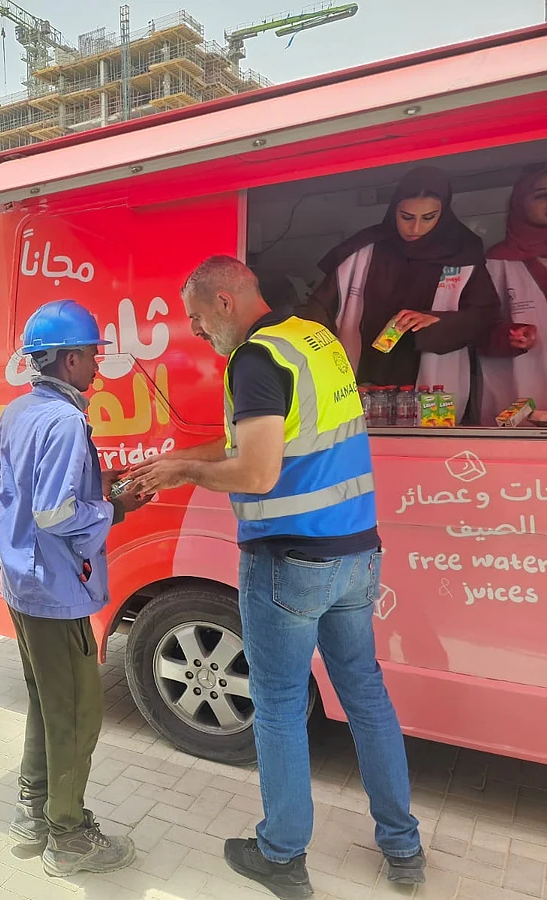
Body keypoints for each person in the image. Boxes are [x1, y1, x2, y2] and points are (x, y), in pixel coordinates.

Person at [139, 256, 423, 898]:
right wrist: (180, 455)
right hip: (356, 554)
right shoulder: (313, 340)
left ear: (224, 301)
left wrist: (186, 475)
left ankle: (281, 855)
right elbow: (264, 436)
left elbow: (259, 470)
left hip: (291, 561)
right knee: (366, 697)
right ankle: (403, 847)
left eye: (196, 318)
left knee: (278, 708)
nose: (196, 332)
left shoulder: (256, 359)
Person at [0, 299, 153, 877]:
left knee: (46, 702)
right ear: (66, 360)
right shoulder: (64, 421)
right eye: (90, 356)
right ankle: (67, 834)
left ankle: (31, 812)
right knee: (79, 715)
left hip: (24, 583)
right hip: (55, 587)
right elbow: (57, 514)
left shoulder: (20, 411)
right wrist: (115, 505)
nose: (99, 368)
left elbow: (32, 491)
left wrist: (97, 481)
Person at [304, 166, 499, 419]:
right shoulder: (364, 249)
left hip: (432, 382)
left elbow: (486, 315)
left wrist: (440, 321)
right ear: (393, 209)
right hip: (363, 377)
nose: (415, 228)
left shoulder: (462, 251)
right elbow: (317, 312)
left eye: (429, 217)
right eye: (406, 217)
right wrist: (326, 366)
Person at [480, 163, 547, 424]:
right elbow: (478, 330)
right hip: (520, 386)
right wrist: (511, 335)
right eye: (542, 195)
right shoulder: (498, 261)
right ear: (520, 202)